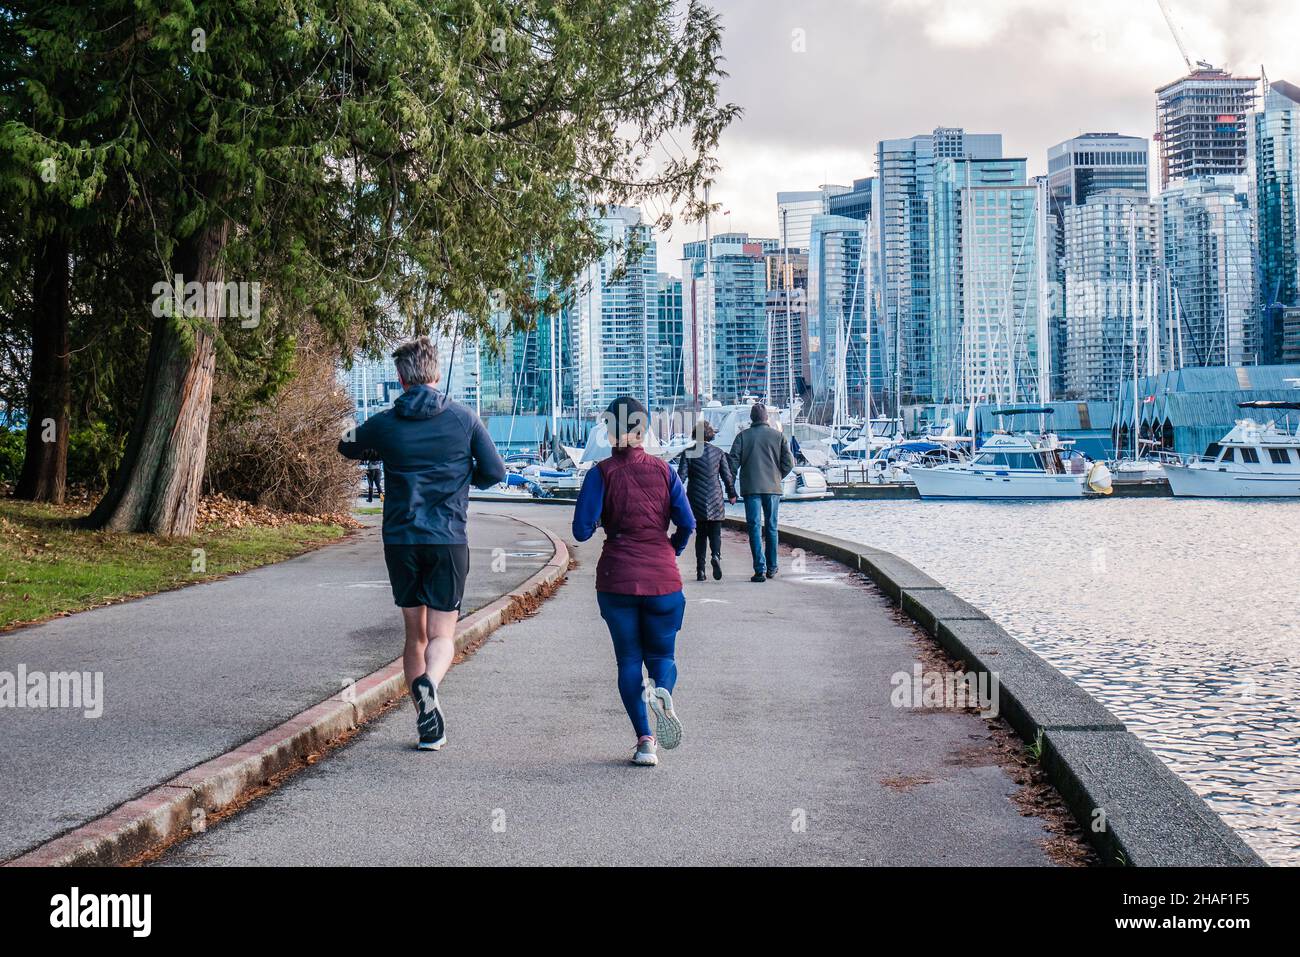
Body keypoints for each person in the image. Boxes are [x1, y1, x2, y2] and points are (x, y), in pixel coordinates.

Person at [339, 336, 506, 751]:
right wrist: (467, 476)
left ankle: (426, 719)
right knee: (443, 635)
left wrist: (378, 447)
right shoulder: (464, 419)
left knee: (414, 634)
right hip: (448, 540)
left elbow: (346, 444)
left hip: (401, 541)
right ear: (434, 372)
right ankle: (431, 682)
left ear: (400, 377)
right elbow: (495, 472)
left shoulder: (385, 422)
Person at [572, 396, 695, 767]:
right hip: (663, 579)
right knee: (663, 656)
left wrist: (600, 518)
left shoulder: (600, 473)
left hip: (617, 580)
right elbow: (688, 522)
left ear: (609, 431)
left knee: (628, 660)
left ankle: (645, 742)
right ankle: (661, 692)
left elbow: (580, 532)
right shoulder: (665, 472)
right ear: (644, 430)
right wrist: (670, 549)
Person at [727, 403, 794, 583]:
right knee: (772, 527)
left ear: (752, 418)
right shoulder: (779, 436)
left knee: (754, 528)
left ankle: (759, 569)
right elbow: (789, 464)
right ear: (766, 418)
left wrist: (730, 489)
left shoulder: (742, 437)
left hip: (751, 489)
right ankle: (772, 567)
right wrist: (777, 476)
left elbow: (732, 465)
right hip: (772, 488)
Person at [676, 419, 737, 582]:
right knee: (715, 532)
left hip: (696, 498)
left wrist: (674, 498)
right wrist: (732, 494)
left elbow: (680, 478)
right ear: (710, 435)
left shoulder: (688, 453)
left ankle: (700, 571)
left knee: (701, 535)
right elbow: (727, 477)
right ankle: (716, 555)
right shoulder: (718, 453)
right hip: (715, 497)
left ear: (696, 435)